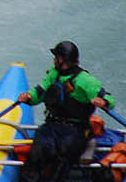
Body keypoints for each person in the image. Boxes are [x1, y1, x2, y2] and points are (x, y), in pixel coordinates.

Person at [16, 41, 116, 182]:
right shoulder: (53, 75)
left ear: (63, 59)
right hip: (52, 125)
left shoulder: (85, 80)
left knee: (64, 154)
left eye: (56, 57)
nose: (54, 59)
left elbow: (109, 98)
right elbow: (39, 92)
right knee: (38, 150)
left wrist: (103, 102)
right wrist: (28, 96)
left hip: (76, 129)